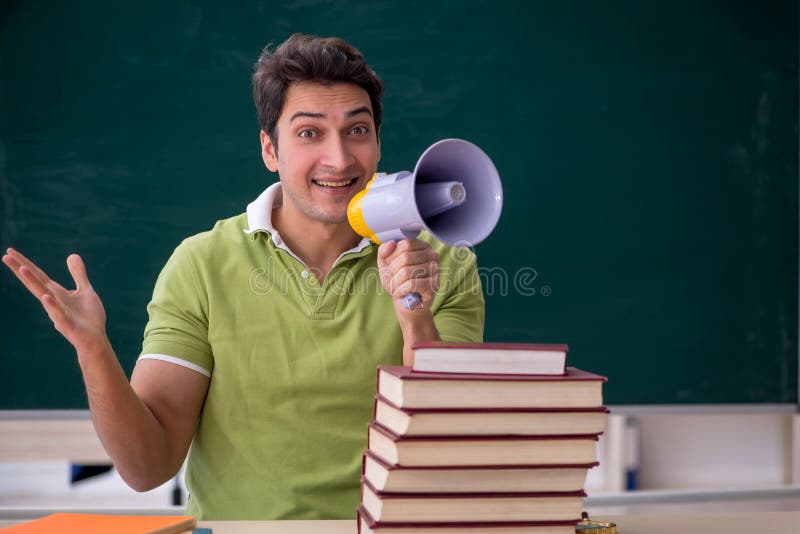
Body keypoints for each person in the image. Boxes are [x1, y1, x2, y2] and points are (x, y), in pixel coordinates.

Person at [2, 33, 484, 519]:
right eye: (309, 133)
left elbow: (447, 443)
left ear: (378, 144)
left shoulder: (444, 262)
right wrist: (94, 351)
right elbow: (147, 467)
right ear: (269, 150)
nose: (339, 159)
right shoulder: (202, 265)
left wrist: (413, 308)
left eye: (357, 130)